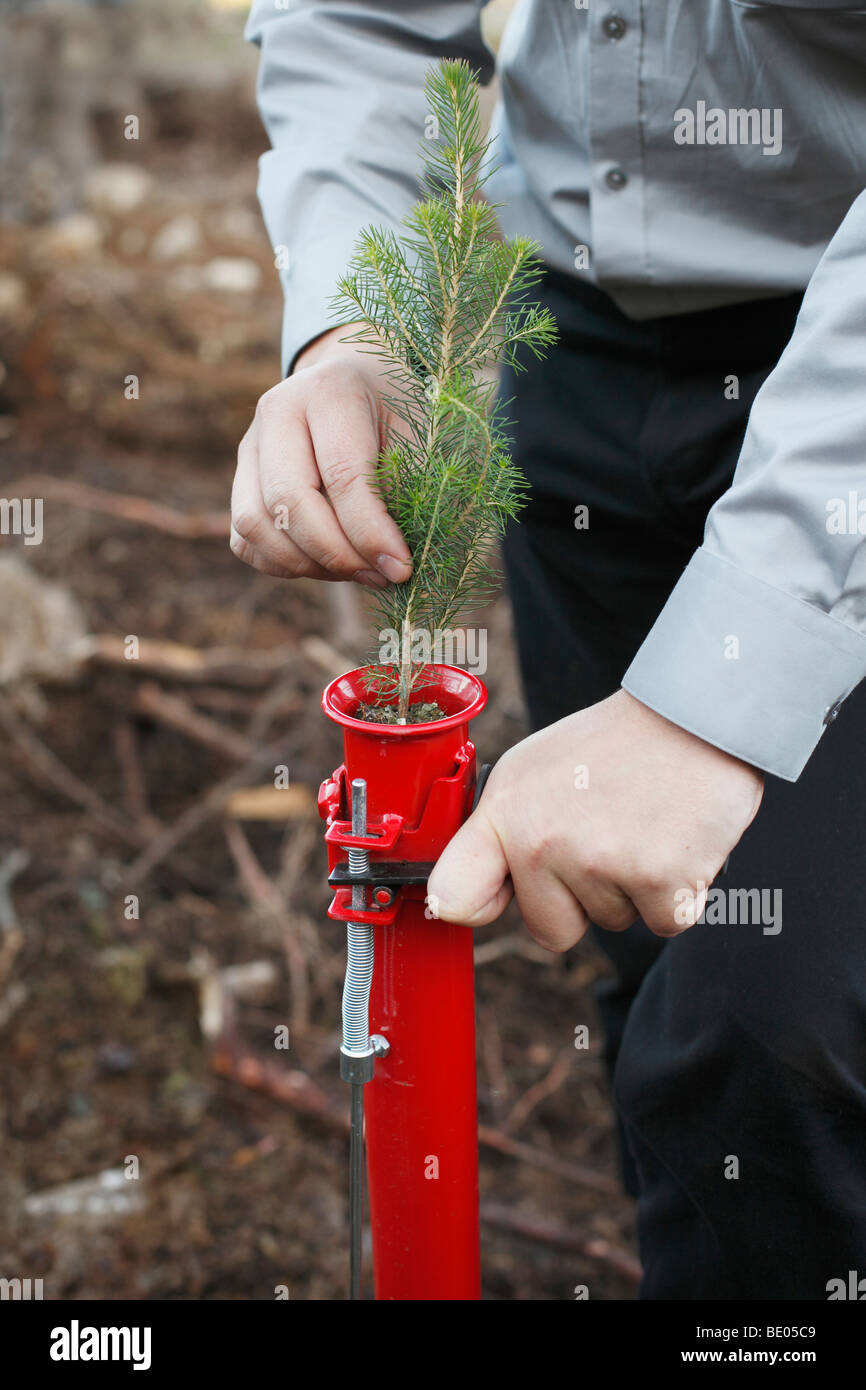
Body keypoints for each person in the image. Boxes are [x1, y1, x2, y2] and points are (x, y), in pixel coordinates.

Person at [235, 1, 866, 1300]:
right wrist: (363, 327)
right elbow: (359, 20)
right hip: (572, 346)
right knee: (655, 983)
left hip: (835, 385)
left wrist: (713, 697)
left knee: (764, 1017)